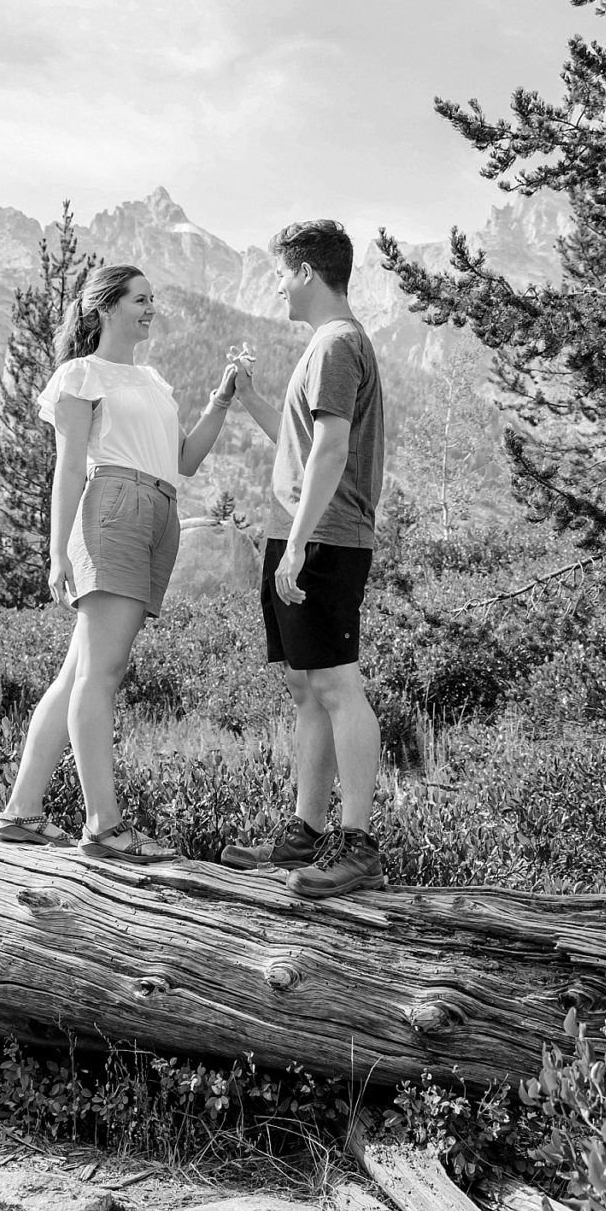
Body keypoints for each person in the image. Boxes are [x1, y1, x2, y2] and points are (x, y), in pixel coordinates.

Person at [0, 264, 236, 862]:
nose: (151, 309)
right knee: (102, 673)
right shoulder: (81, 374)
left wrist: (220, 401)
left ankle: (22, 812)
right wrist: (56, 552)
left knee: (79, 672)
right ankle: (104, 826)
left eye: (154, 299)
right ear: (104, 308)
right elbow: (69, 467)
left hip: (158, 508)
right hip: (114, 509)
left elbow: (183, 460)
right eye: (140, 300)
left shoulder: (151, 379)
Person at [221, 219, 387, 897]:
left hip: (323, 535)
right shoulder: (325, 347)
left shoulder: (338, 345)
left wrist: (296, 544)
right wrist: (251, 398)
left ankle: (356, 845)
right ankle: (305, 833)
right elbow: (298, 443)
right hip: (299, 529)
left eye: (281, 273)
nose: (277, 287)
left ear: (306, 274)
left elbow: (331, 449)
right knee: (304, 686)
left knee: (336, 686)